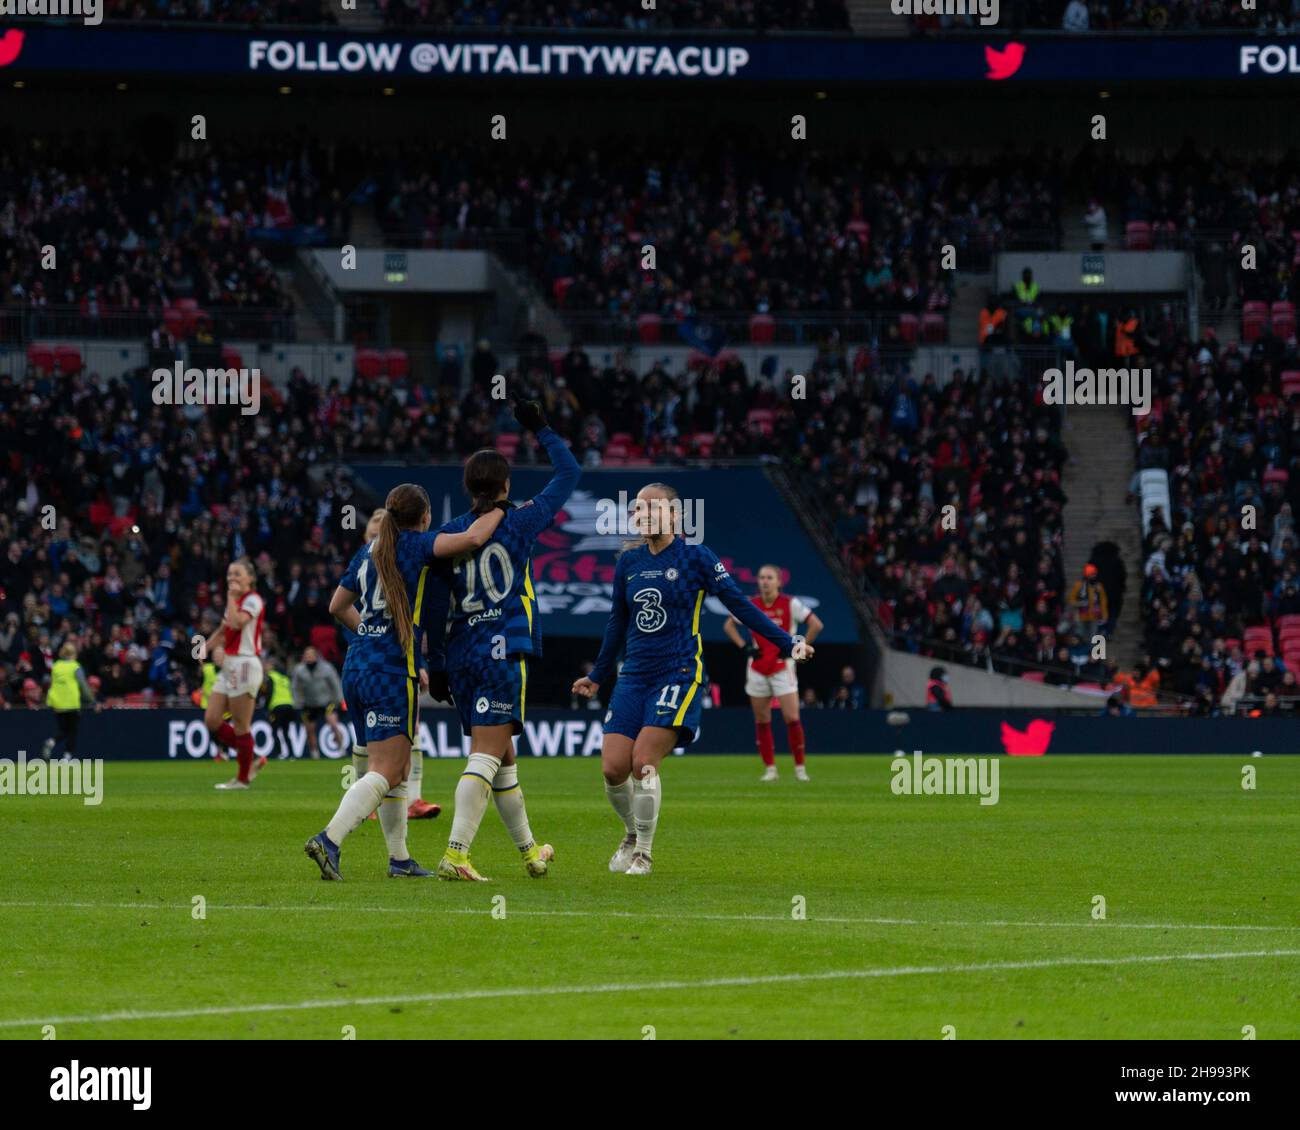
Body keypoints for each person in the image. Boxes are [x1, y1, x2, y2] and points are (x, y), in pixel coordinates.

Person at [572, 483, 815, 877]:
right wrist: (598, 675)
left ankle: (644, 855)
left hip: (678, 672)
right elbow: (617, 622)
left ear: (674, 515)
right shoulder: (628, 563)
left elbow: (739, 603)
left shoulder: (696, 557)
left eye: (652, 508)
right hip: (633, 676)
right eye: (638, 508)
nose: (643, 514)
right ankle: (632, 834)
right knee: (613, 768)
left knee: (643, 764)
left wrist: (788, 644)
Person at [304, 487, 505, 880]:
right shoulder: (417, 545)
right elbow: (475, 538)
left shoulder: (369, 551)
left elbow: (337, 606)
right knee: (389, 768)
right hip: (390, 672)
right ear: (425, 516)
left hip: (356, 667)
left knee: (390, 769)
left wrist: (370, 631)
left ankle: (399, 860)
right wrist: (501, 508)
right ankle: (329, 839)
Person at [436, 400, 578, 881]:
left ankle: (530, 852)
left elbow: (434, 603)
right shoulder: (521, 520)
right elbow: (569, 472)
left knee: (502, 757)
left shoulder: (450, 535)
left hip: (460, 654)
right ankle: (456, 853)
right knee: (487, 755)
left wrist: (435, 661)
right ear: (506, 486)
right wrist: (541, 426)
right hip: (502, 648)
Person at [722, 564, 823, 782]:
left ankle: (800, 768)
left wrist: (798, 648)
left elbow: (816, 624)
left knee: (792, 717)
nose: (765, 581)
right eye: (761, 577)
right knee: (762, 720)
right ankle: (770, 769)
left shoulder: (790, 604)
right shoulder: (751, 604)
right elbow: (729, 625)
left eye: (769, 578)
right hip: (757, 668)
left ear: (779, 582)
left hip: (782, 667)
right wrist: (744, 646)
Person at [204, 558, 266, 790]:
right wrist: (204, 648)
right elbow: (223, 631)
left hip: (245, 664)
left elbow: (238, 623)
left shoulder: (252, 600)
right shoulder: (236, 601)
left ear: (250, 578)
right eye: (230, 574)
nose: (232, 578)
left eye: (237, 574)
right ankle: (254, 756)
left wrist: (230, 598)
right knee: (212, 719)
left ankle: (242, 779)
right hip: (229, 665)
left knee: (241, 724)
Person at [40, 641, 97, 760]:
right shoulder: (75, 666)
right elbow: (83, 685)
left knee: (63, 730)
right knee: (72, 731)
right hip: (71, 703)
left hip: (57, 703)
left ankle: (51, 742)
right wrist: (92, 700)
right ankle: (66, 757)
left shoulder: (56, 666)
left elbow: (50, 682)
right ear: (74, 653)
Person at [291, 645, 345, 761]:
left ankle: (341, 749)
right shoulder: (299, 670)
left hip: (326, 701)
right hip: (309, 704)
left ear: (316, 656)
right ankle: (314, 754)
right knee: (309, 730)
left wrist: (339, 700)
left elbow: (335, 684)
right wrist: (298, 703)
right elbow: (295, 688)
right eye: (306, 655)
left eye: (311, 655)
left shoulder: (327, 668)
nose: (308, 657)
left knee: (333, 725)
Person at [262, 654, 298, 760]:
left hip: (277, 707)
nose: (265, 667)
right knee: (286, 732)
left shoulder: (270, 677)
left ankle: (279, 753)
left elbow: (269, 692)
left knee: (275, 731)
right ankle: (291, 754)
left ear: (271, 666)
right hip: (289, 706)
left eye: (267, 665)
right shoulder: (285, 678)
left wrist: (266, 707)